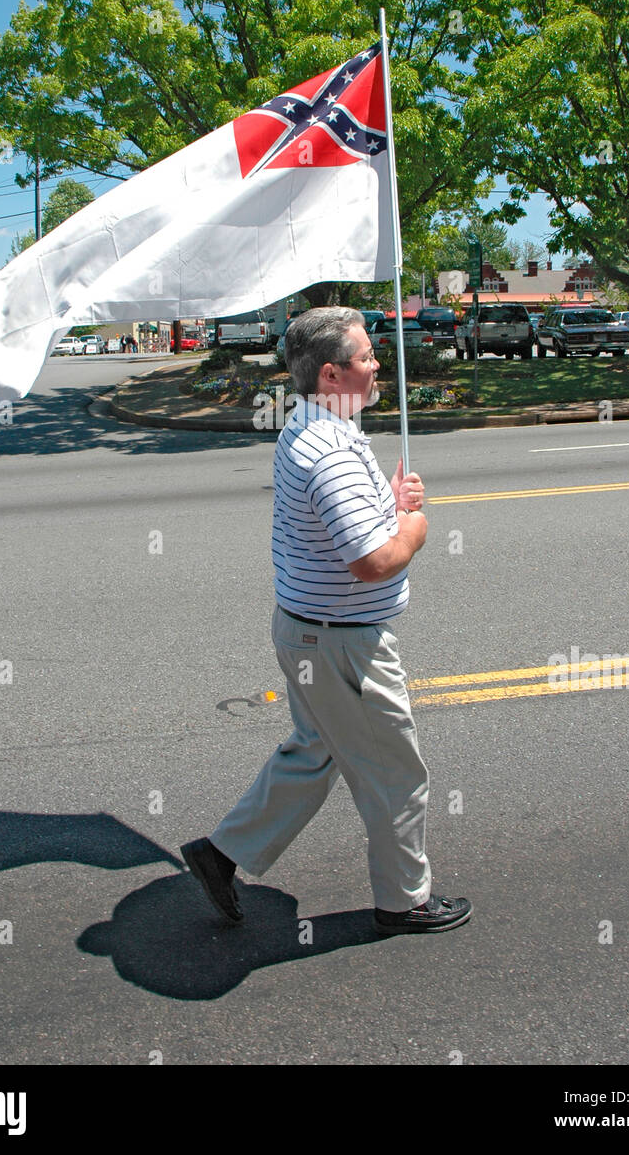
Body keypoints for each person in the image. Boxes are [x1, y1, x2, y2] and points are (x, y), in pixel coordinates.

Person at [181, 306, 471, 937]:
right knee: (396, 774)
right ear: (334, 374)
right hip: (344, 647)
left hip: (309, 632)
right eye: (367, 357)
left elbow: (341, 529)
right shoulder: (330, 451)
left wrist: (389, 506)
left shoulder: (310, 428)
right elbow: (372, 562)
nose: (377, 365)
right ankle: (404, 903)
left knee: (317, 751)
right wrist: (415, 528)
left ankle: (220, 854)